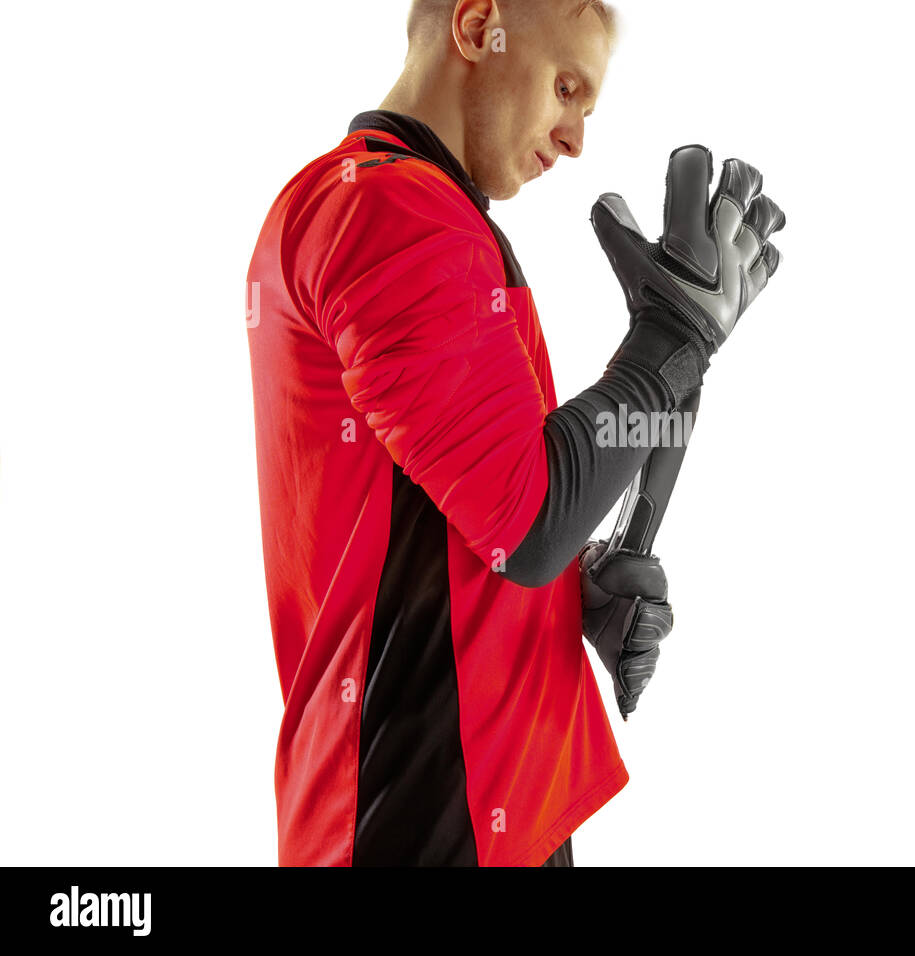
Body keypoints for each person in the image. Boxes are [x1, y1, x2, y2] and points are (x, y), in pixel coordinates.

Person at [244, 0, 784, 866]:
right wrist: (671, 343)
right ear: (474, 25)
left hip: (485, 802)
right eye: (565, 87)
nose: (574, 139)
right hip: (417, 813)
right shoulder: (386, 211)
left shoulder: (422, 217)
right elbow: (526, 520)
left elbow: (483, 521)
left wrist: (574, 590)